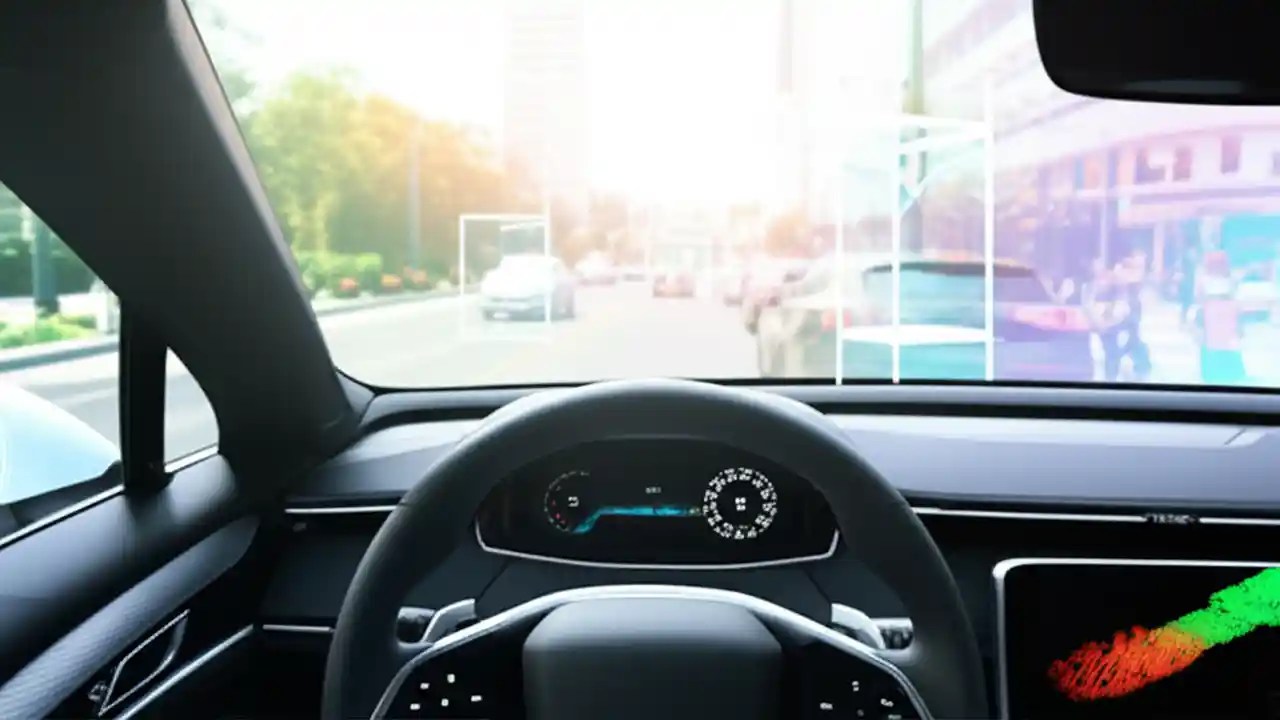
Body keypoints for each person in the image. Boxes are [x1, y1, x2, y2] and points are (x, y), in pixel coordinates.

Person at [1195, 250, 1247, 385]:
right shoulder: (1228, 280)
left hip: (1219, 316)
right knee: (1223, 344)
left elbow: (1199, 298)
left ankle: (1218, 371)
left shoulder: (1209, 280)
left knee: (1221, 344)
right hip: (1218, 316)